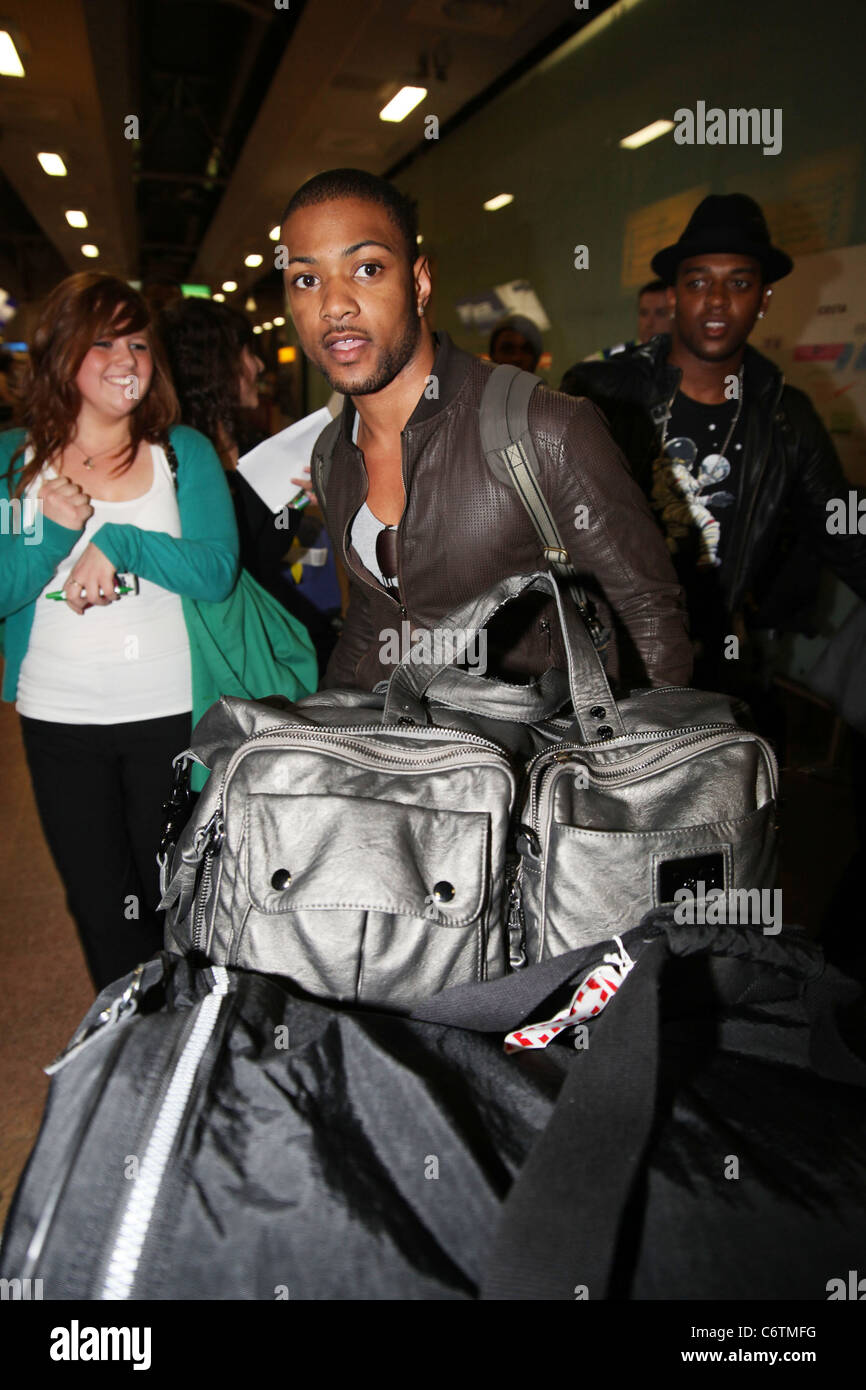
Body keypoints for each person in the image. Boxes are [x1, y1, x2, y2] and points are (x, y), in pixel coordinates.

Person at [279, 168, 692, 694]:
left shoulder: (544, 427)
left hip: (529, 763)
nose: (334, 305)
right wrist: (328, 734)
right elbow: (370, 619)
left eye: (366, 268)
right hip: (404, 762)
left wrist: (620, 769)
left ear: (419, 282)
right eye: (306, 279)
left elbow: (647, 618)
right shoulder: (331, 456)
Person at [0, 271, 239, 991]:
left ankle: (186, 1046)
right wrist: (50, 536)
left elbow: (216, 570)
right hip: (58, 718)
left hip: (169, 716)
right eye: (102, 342)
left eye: (137, 342)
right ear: (61, 353)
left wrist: (125, 543)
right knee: (102, 909)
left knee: (178, 899)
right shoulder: (15, 459)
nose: (125, 359)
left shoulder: (181, 453)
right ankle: (129, 1051)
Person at [559, 193, 866, 702]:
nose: (718, 299)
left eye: (739, 283)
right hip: (603, 658)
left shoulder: (786, 418)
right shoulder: (604, 390)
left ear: (764, 299)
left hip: (717, 667)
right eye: (699, 281)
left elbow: (846, 532)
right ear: (676, 294)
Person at [158, 297, 336, 673]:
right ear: (216, 369)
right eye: (246, 354)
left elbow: (268, 552)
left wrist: (296, 506)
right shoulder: (173, 458)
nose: (258, 365)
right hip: (216, 644)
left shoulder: (252, 445)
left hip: (263, 624)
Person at [583, 279, 670, 362]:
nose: (649, 323)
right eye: (643, 313)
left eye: (660, 313)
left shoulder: (680, 361)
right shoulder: (610, 360)